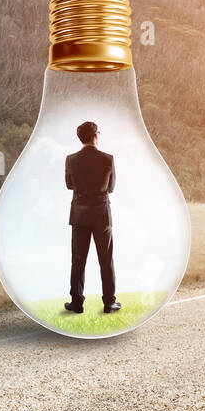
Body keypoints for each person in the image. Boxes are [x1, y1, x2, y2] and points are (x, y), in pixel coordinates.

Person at [64, 121, 120, 314]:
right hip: (101, 215)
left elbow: (69, 184)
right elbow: (111, 188)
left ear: (80, 138)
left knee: (78, 260)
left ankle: (77, 302)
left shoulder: (71, 159)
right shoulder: (108, 159)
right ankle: (109, 302)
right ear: (96, 135)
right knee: (106, 260)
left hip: (79, 214)